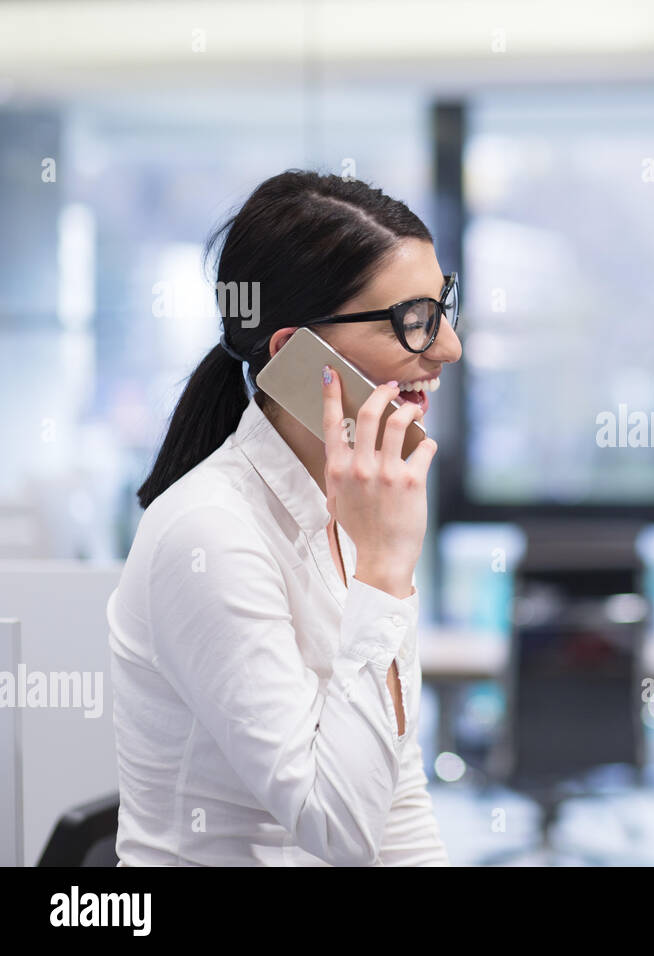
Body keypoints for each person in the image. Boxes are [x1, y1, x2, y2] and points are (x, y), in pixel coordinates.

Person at [108, 171, 462, 865]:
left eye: (443, 308)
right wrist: (385, 574)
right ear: (298, 356)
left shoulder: (354, 513)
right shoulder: (209, 534)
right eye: (414, 321)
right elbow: (339, 830)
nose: (447, 347)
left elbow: (397, 802)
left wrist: (377, 568)